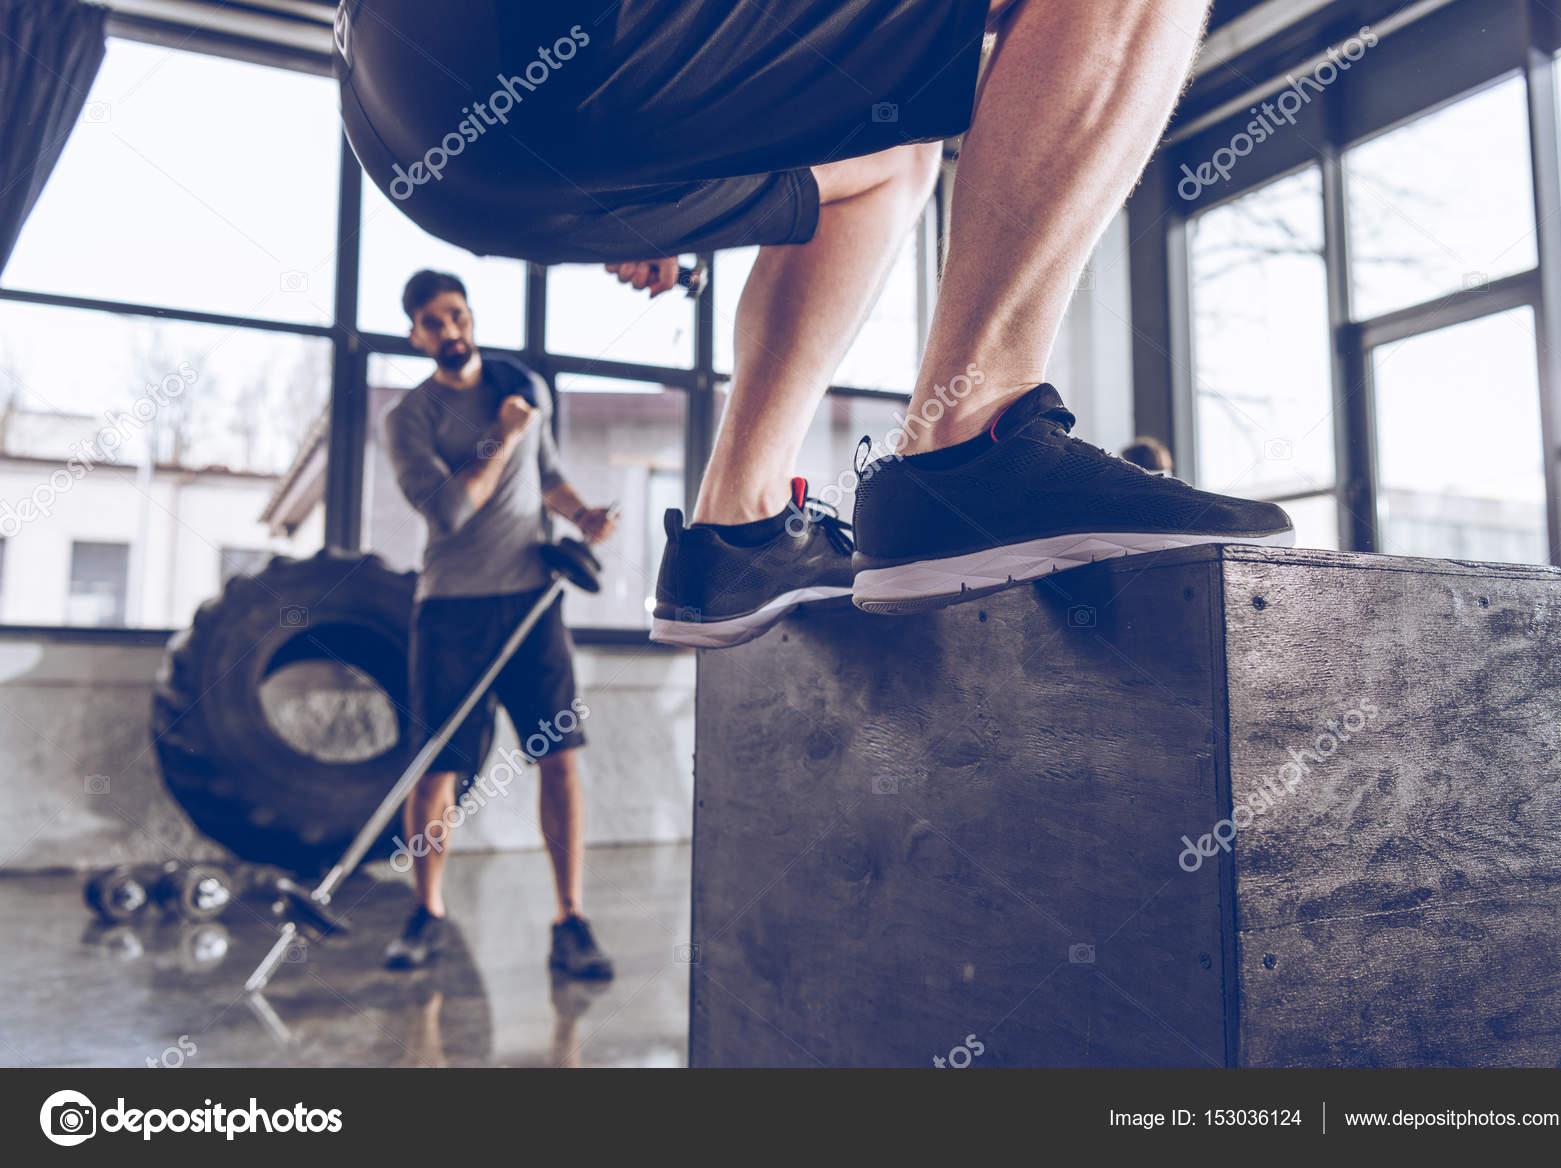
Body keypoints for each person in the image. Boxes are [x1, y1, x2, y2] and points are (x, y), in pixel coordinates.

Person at [338, 0, 1293, 651]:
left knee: (890, 152)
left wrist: (673, 189)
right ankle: (975, 441)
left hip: (427, 122)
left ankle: (736, 534)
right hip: (545, 48)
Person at [380, 269, 619, 977]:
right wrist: (501, 436)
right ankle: (427, 911)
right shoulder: (409, 419)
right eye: (433, 322)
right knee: (438, 771)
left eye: (457, 315)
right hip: (451, 608)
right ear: (415, 335)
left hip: (531, 602)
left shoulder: (520, 397)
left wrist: (582, 515)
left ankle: (570, 921)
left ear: (471, 316)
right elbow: (452, 509)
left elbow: (545, 476)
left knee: (561, 760)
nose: (449, 330)